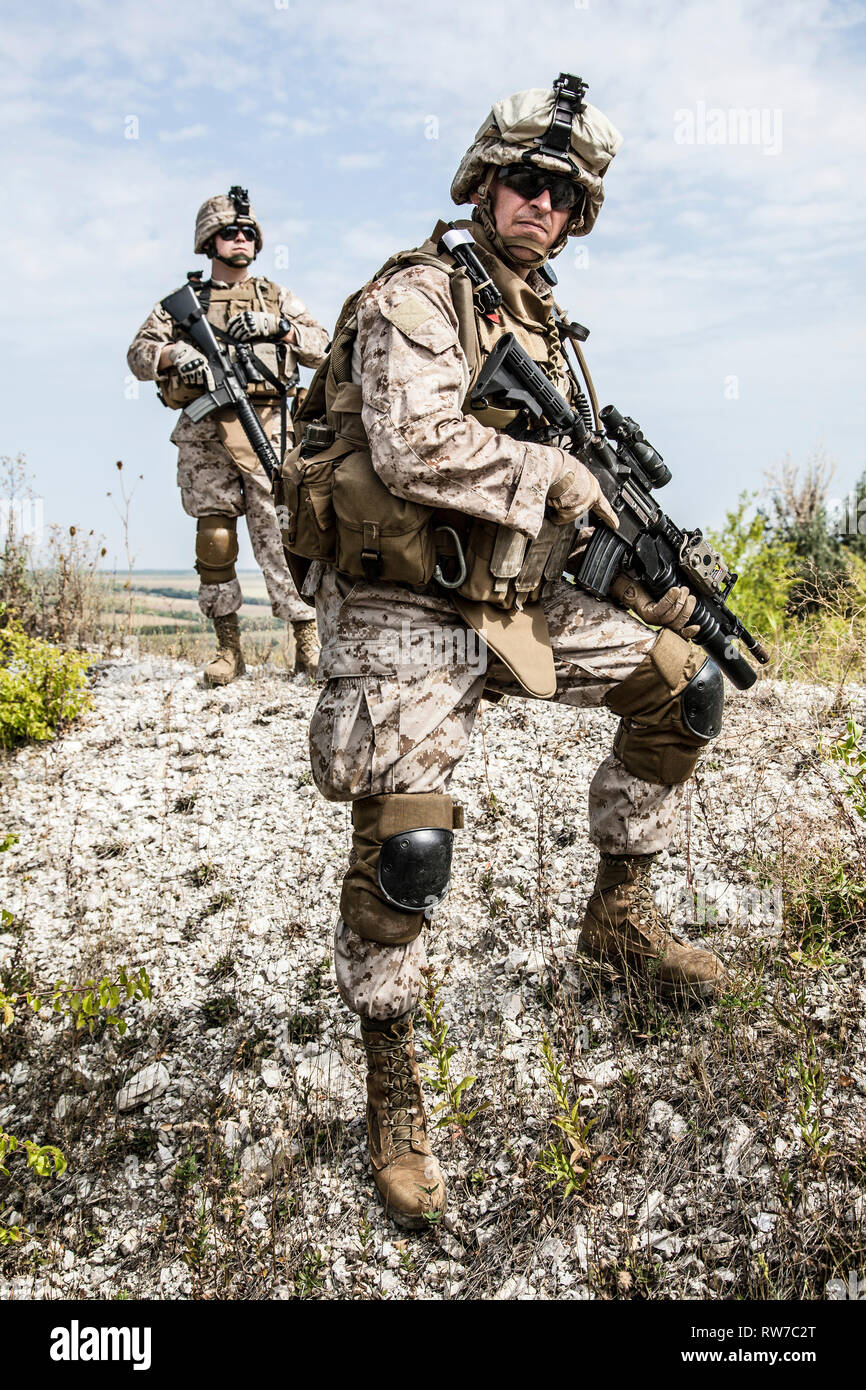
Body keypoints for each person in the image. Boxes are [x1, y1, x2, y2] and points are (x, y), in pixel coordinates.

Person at [292, 76, 730, 1228]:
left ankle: (616, 922)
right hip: (403, 610)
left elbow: (581, 508)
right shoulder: (418, 295)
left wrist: (661, 588)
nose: (541, 204)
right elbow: (412, 446)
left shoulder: (546, 330)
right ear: (481, 182)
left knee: (683, 693)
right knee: (410, 848)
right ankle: (390, 1085)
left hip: (513, 602)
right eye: (524, 181)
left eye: (565, 194)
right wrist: (557, 477)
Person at [127, 186, 330, 684]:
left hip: (270, 428)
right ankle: (227, 650)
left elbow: (325, 347)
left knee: (283, 536)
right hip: (204, 432)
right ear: (208, 240)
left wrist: (279, 328)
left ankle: (308, 644)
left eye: (246, 232)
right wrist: (174, 355)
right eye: (228, 232)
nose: (239, 238)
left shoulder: (277, 297)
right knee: (215, 538)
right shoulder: (181, 304)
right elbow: (138, 356)